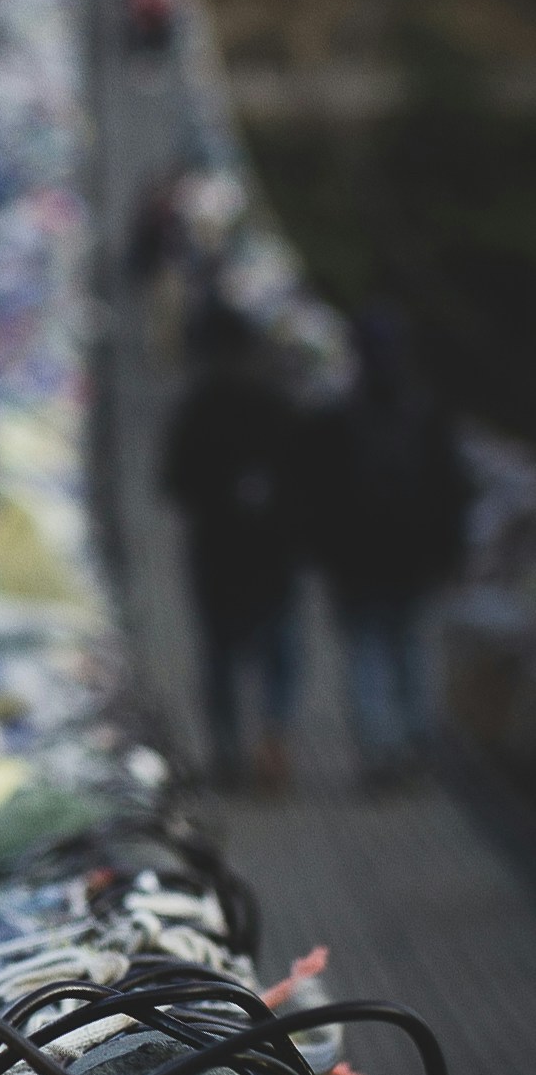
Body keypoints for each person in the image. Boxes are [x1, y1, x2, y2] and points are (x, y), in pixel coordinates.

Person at [306, 303, 470, 791]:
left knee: (366, 655)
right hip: (415, 558)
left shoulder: (339, 416)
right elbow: (453, 490)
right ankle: (416, 742)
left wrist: (324, 551)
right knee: (412, 650)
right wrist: (451, 552)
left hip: (357, 562)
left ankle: (380, 751)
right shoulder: (428, 414)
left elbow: (322, 494)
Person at [161, 302, 313, 792]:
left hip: (217, 555)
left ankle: (227, 752)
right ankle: (273, 740)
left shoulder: (198, 408)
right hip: (274, 556)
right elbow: (306, 481)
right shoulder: (279, 406)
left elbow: (174, 482)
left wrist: (217, 499)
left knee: (221, 658)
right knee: (278, 657)